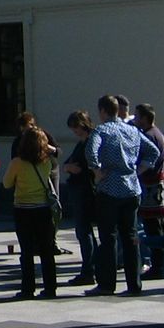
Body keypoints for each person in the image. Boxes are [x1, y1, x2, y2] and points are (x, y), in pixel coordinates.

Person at [85, 95, 158, 296]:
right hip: (132, 188)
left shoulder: (101, 130)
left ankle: (107, 284)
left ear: (102, 111)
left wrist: (97, 170)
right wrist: (139, 169)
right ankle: (134, 284)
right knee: (131, 236)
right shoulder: (132, 129)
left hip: (110, 188)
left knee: (108, 237)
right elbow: (153, 151)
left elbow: (91, 152)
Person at [2, 123, 59, 299]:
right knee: (46, 250)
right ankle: (50, 287)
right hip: (43, 209)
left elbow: (6, 183)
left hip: (23, 209)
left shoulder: (17, 163)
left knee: (26, 251)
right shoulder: (47, 162)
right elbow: (54, 164)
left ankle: (28, 288)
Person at [133, 104, 164, 278]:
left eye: (138, 116)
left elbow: (148, 160)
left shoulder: (149, 136)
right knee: (157, 226)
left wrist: (136, 171)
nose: (135, 119)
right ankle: (162, 263)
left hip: (151, 186)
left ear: (145, 118)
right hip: (156, 185)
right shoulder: (157, 134)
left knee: (153, 227)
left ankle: (159, 265)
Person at [61, 110, 98, 286]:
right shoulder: (82, 143)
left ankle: (89, 269)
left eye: (76, 127)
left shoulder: (90, 142)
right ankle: (90, 267)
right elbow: (67, 164)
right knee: (84, 232)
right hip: (79, 189)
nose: (74, 131)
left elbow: (83, 168)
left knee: (85, 232)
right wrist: (69, 167)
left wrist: (71, 168)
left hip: (86, 190)